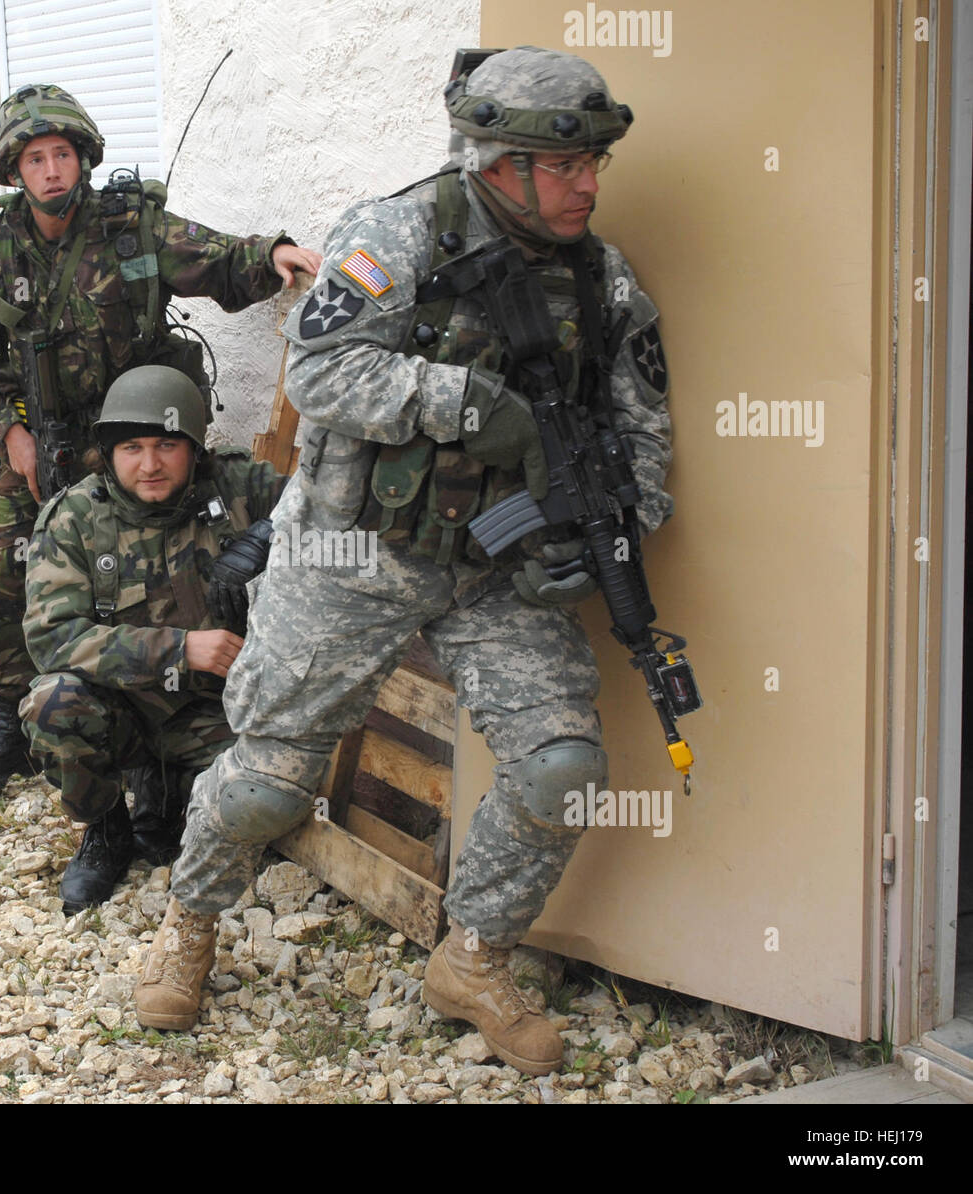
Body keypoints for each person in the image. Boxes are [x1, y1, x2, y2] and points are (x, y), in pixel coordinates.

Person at [134, 47, 675, 1077]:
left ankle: (470, 957)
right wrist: (470, 404)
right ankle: (189, 920)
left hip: (495, 568)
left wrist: (604, 535)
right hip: (352, 547)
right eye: (562, 167)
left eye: (595, 164)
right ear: (495, 163)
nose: (587, 185)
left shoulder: (601, 280)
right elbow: (328, 371)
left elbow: (643, 435)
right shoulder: (394, 237)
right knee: (270, 782)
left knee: (563, 766)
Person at [0, 83, 321, 793]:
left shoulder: (128, 226)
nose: (51, 170)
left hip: (140, 438)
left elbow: (206, 254)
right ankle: (9, 723)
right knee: (2, 578)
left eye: (62, 154)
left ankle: (156, 721)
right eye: (34, 159)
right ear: (14, 171)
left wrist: (270, 255)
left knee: (153, 573)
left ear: (81, 158)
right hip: (43, 443)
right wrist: (9, 431)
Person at [20, 365, 286, 911]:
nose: (149, 465)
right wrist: (180, 649)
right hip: (125, 712)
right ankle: (106, 830)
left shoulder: (238, 488)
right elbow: (53, 638)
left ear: (193, 445)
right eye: (132, 448)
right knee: (52, 704)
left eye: (167, 445)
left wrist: (269, 536)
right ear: (108, 454)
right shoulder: (74, 518)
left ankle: (172, 792)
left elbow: (329, 502)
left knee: (279, 800)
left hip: (218, 712)